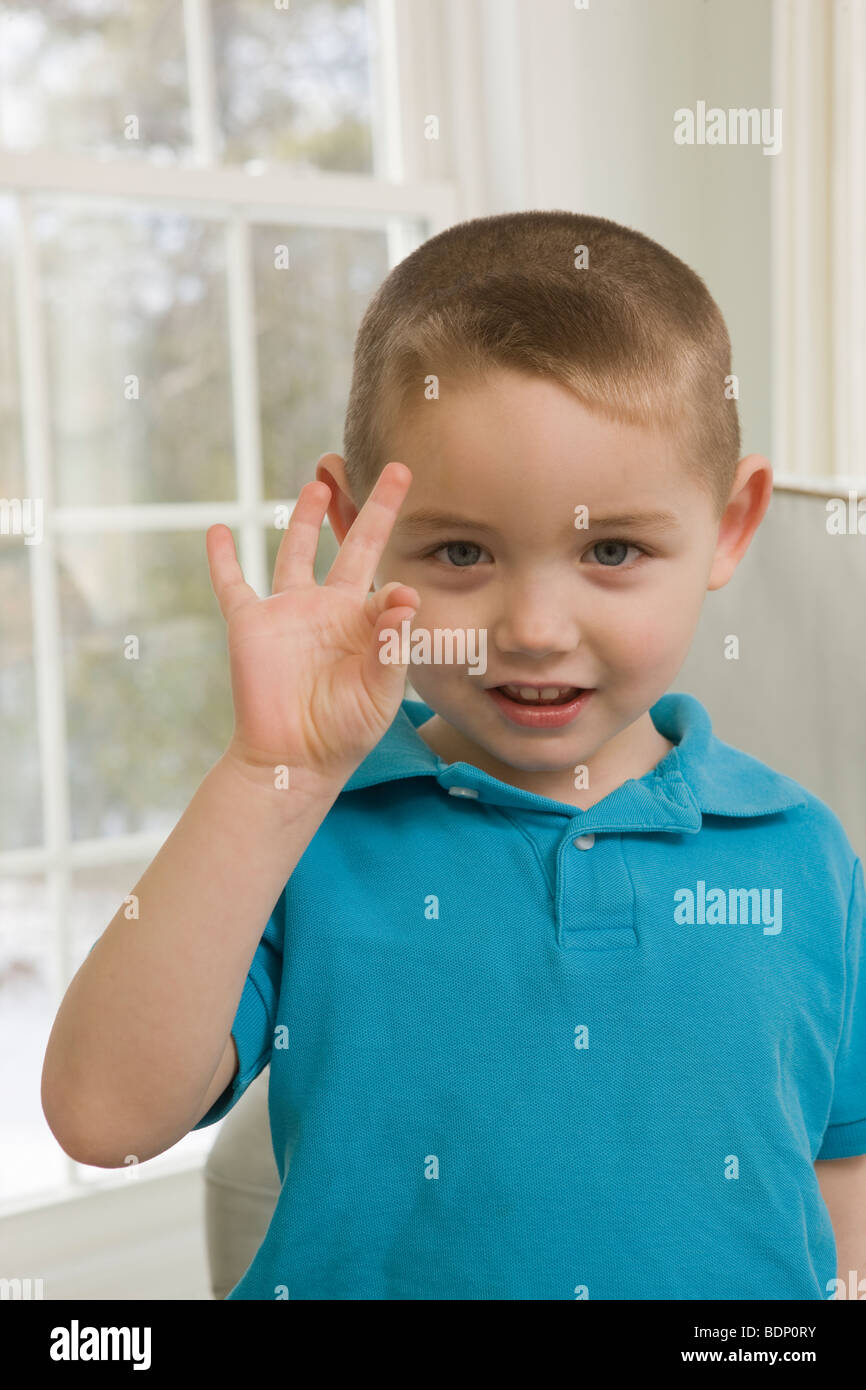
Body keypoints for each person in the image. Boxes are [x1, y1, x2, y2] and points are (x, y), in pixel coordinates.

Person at [42, 210, 866, 1300]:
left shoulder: (804, 855)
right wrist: (264, 777)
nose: (534, 627)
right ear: (358, 529)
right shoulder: (305, 832)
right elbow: (102, 1118)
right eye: (462, 551)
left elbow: (837, 1179)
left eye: (611, 548)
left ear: (729, 525)